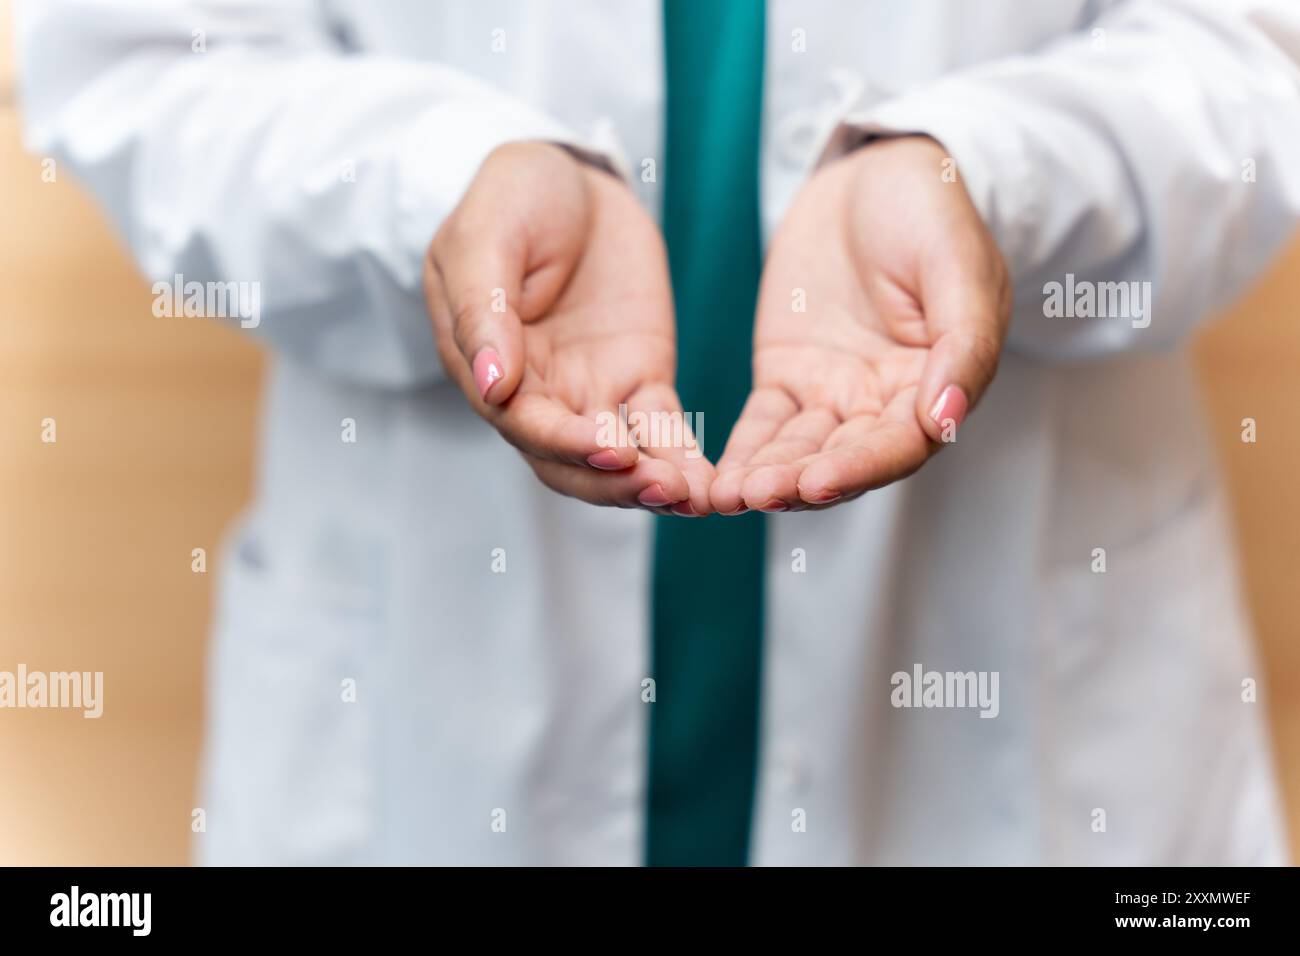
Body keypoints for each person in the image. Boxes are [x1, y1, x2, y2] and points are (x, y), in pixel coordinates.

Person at [17, 0, 1300, 865]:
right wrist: (437, 178)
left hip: (1018, 713)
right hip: (434, 707)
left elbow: (1252, 47)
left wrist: (987, 169)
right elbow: (138, 64)